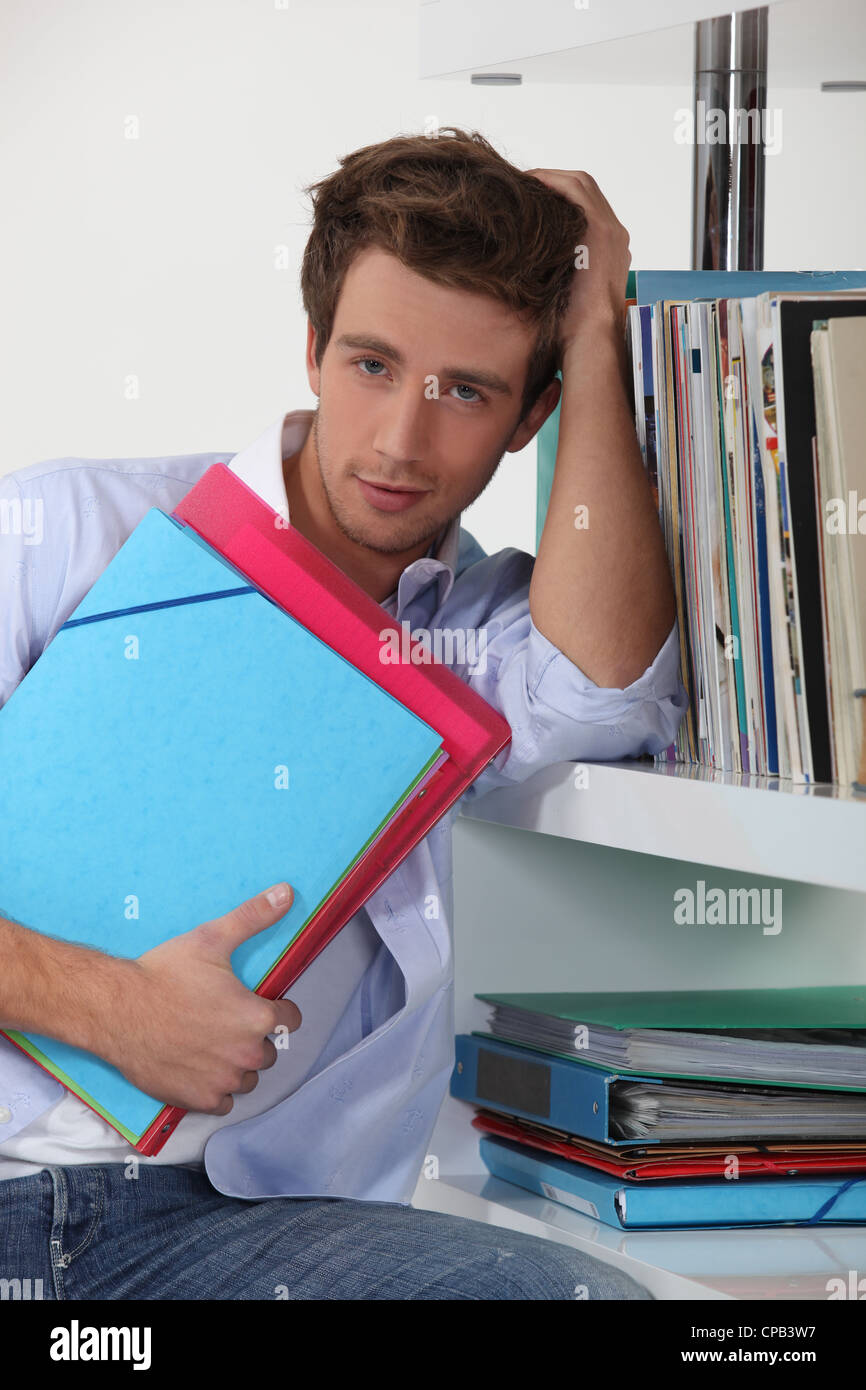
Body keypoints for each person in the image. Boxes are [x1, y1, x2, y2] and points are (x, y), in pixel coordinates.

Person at [0, 128, 686, 1300]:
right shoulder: (68, 528)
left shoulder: (483, 629)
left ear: (530, 420)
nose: (399, 443)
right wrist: (115, 1008)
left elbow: (602, 688)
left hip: (234, 1227)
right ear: (312, 349)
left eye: (465, 392)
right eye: (371, 365)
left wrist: (597, 326)